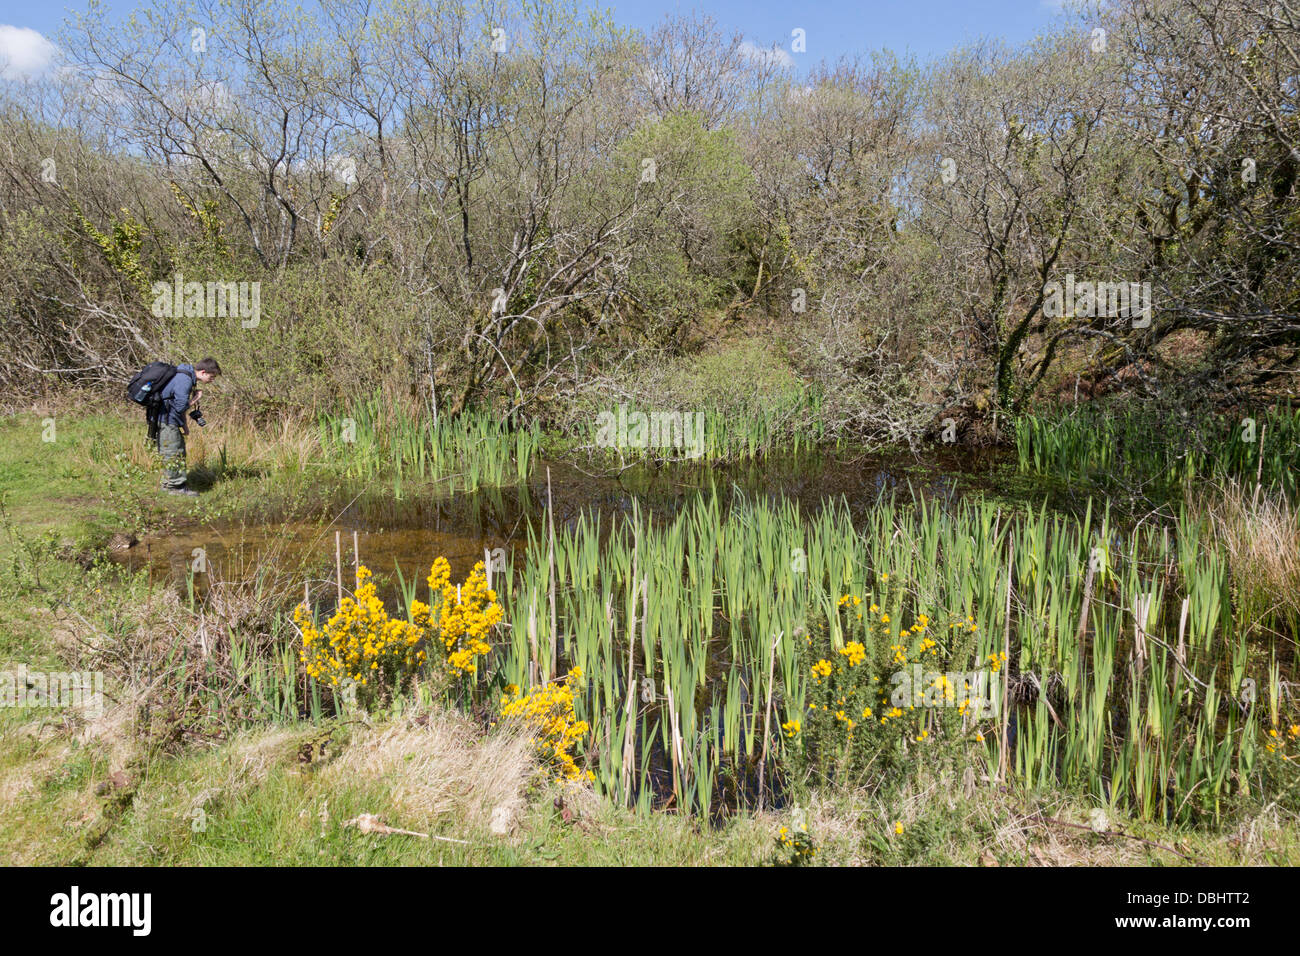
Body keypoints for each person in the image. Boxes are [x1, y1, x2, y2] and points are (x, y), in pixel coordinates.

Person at [150, 357, 221, 496]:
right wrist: (195, 399)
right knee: (173, 452)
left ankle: (169, 484)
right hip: (166, 420)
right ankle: (175, 488)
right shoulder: (185, 380)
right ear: (202, 372)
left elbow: (175, 403)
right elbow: (180, 406)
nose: (212, 380)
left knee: (176, 451)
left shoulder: (185, 376)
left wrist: (184, 426)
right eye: (212, 377)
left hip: (169, 420)